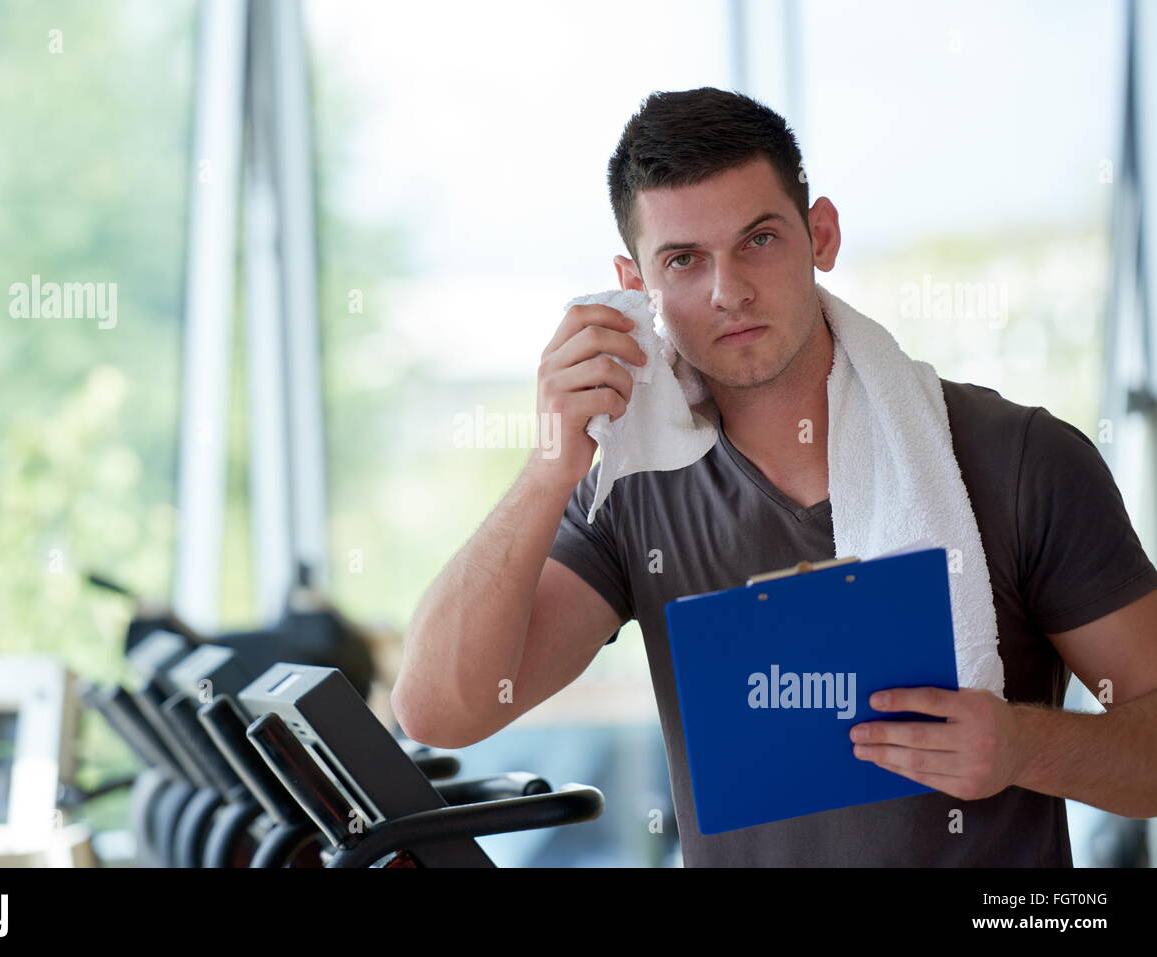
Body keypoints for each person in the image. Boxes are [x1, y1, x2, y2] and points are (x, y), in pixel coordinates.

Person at [392, 87, 1157, 866]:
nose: (729, 291)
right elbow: (437, 711)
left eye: (758, 239)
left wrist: (1024, 746)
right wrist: (550, 466)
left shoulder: (1020, 458)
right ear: (633, 281)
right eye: (683, 260)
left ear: (820, 234)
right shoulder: (629, 492)